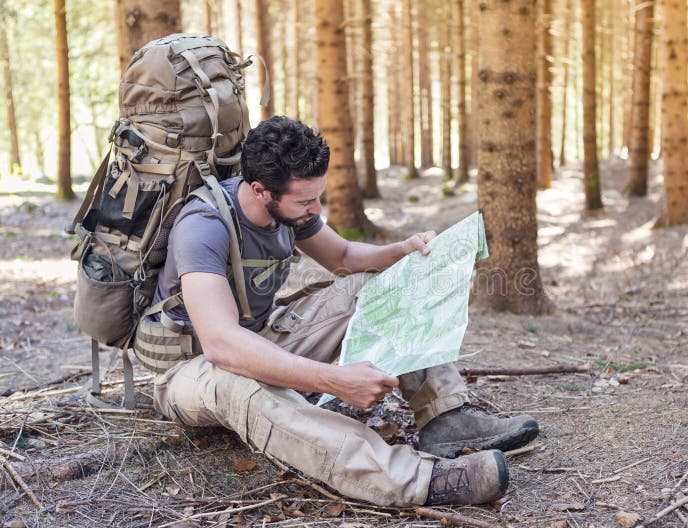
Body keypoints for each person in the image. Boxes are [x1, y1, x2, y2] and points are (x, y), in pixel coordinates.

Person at [146, 116, 539, 507]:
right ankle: (415, 480)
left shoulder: (289, 207)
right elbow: (221, 345)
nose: (316, 209)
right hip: (191, 369)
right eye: (306, 202)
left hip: (257, 337)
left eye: (318, 196)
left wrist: (402, 252)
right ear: (261, 191)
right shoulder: (204, 225)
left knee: (374, 286)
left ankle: (446, 417)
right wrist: (334, 381)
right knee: (238, 383)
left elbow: (345, 257)